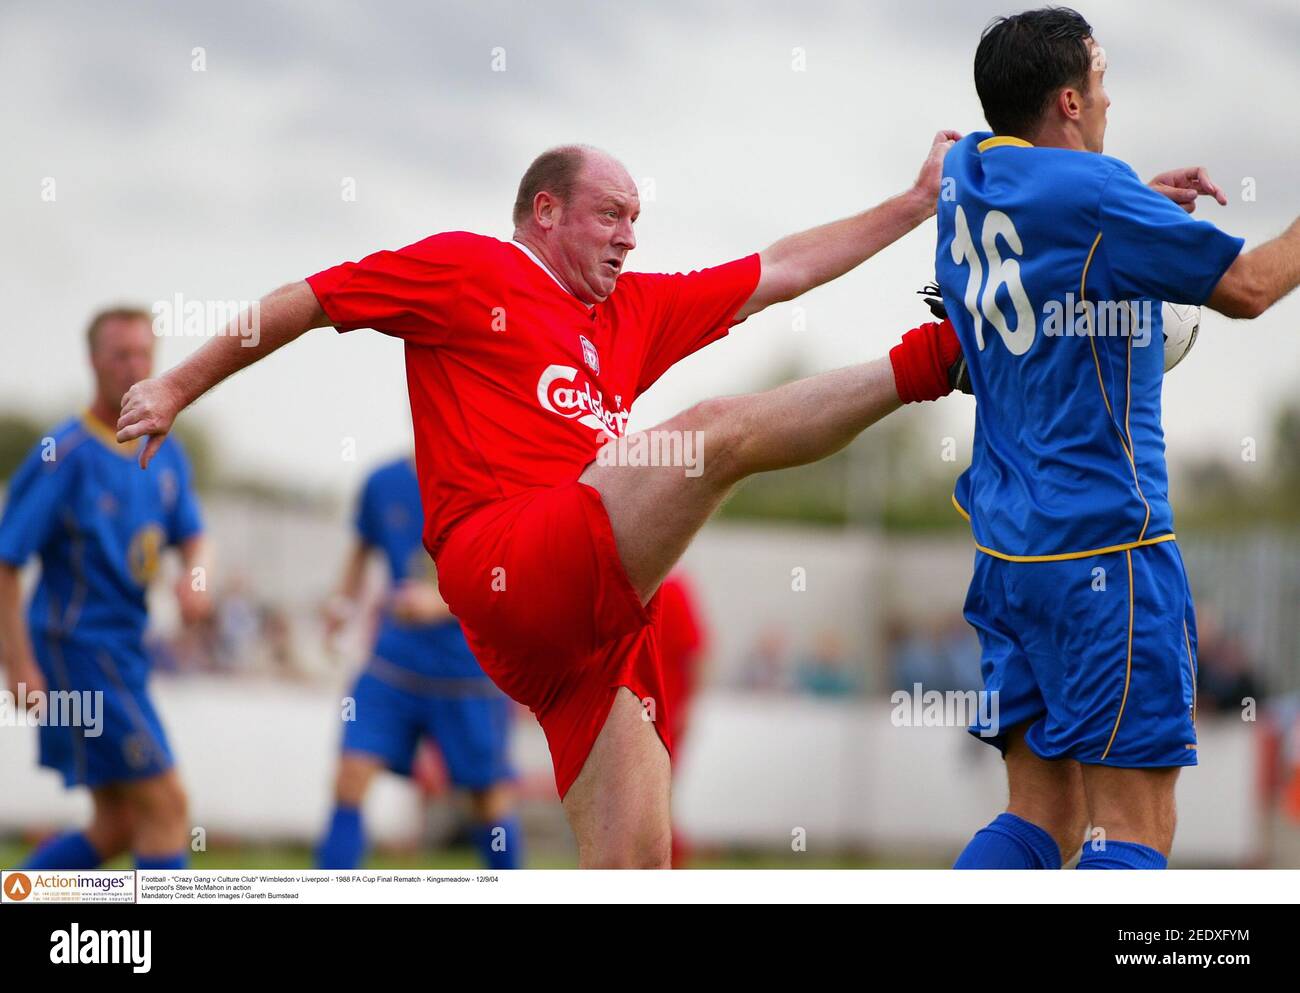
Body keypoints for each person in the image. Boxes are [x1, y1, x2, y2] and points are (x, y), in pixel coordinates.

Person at [115, 137, 969, 867]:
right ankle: (948, 354)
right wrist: (178, 385)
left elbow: (781, 269)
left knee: (638, 861)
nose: (631, 236)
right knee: (713, 435)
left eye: (638, 218)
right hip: (507, 556)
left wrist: (916, 201)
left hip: (581, 630)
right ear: (546, 210)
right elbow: (309, 300)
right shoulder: (470, 266)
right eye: (612, 214)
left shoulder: (632, 311)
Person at [938, 8, 1300, 870]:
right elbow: (1247, 288)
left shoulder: (964, 176)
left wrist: (1135, 204)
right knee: (1133, 828)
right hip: (1110, 550)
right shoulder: (1093, 197)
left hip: (1007, 550)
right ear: (1068, 100)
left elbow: (1064, 207)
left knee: (1041, 817)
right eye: (1099, 83)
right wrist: (1127, 207)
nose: (1110, 98)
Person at [0, 307, 209, 871]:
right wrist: (16, 665)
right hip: (78, 650)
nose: (134, 366)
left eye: (144, 353)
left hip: (124, 651)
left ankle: (19, 890)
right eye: (121, 354)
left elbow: (194, 538)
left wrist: (194, 580)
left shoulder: (167, 449)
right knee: (167, 805)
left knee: (118, 822)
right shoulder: (63, 453)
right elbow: (5, 561)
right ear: (94, 361)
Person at [316, 455, 521, 869]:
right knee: (350, 775)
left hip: (470, 673)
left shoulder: (499, 479)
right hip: (392, 665)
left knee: (488, 798)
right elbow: (361, 549)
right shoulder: (383, 481)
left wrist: (444, 602)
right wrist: (342, 603)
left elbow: (515, 570)